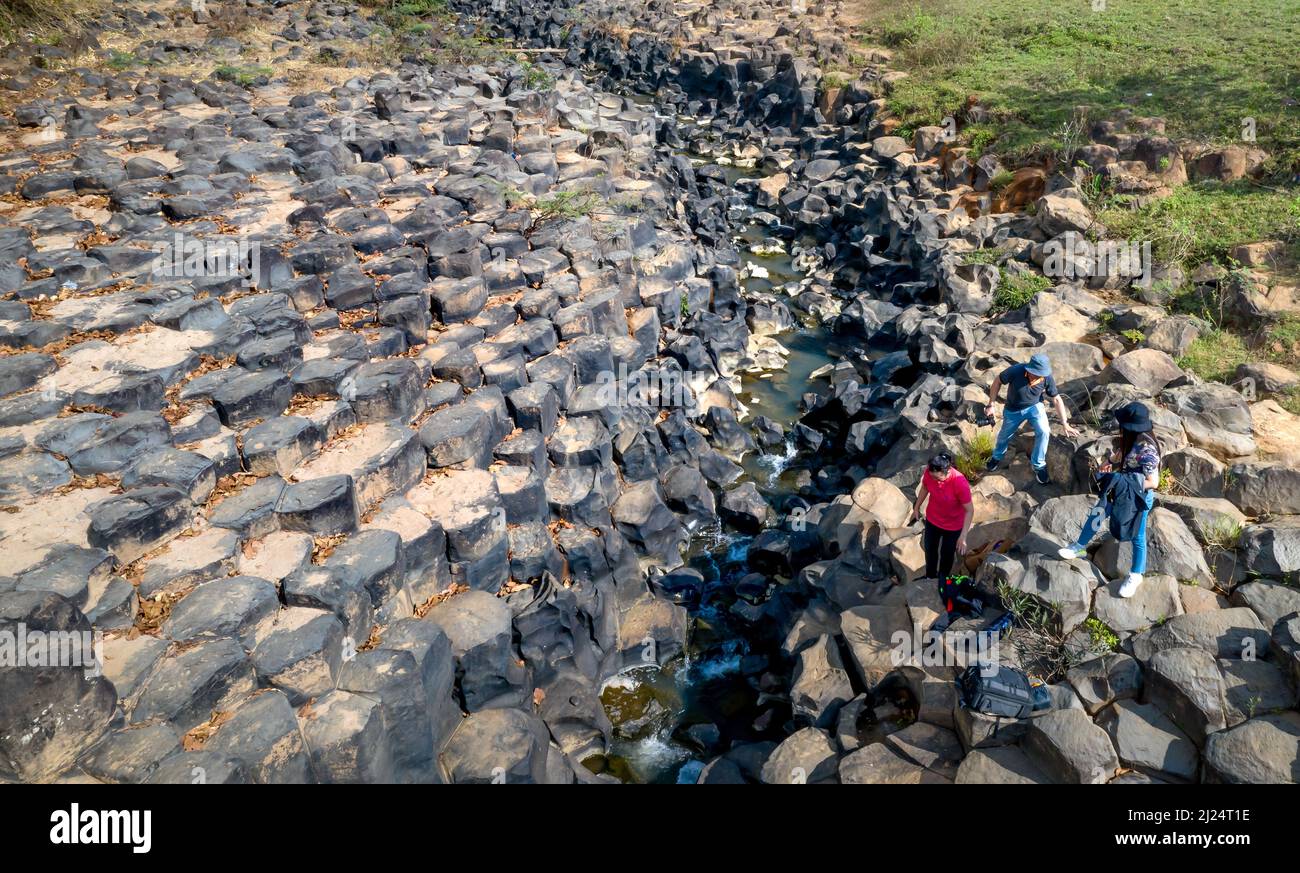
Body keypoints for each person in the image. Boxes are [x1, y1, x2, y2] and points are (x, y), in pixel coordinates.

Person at [1057, 402, 1161, 598]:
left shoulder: (1148, 449)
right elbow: (1122, 456)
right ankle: (1079, 547)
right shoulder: (1131, 439)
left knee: (1138, 536)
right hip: (1120, 489)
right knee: (1098, 512)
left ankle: (1136, 574)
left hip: (1137, 497)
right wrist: (1109, 463)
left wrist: (1124, 481)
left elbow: (1153, 482)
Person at [984, 352, 1079, 484]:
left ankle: (1039, 465)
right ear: (1029, 370)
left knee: (1044, 431)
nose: (1039, 377)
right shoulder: (1016, 370)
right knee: (1004, 436)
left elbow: (1056, 399)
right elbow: (997, 381)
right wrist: (991, 404)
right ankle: (996, 457)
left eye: (1041, 374)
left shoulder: (1046, 377)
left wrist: (1065, 423)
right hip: (1013, 410)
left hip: (1035, 407)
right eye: (1036, 373)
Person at [908, 453, 974, 583]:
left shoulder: (959, 483)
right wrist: (916, 507)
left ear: (948, 471)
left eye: (939, 479)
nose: (935, 481)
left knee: (947, 554)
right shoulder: (930, 473)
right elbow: (925, 487)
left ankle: (942, 579)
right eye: (932, 477)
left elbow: (970, 511)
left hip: (953, 526)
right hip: (933, 520)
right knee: (930, 550)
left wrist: (963, 536)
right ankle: (930, 575)